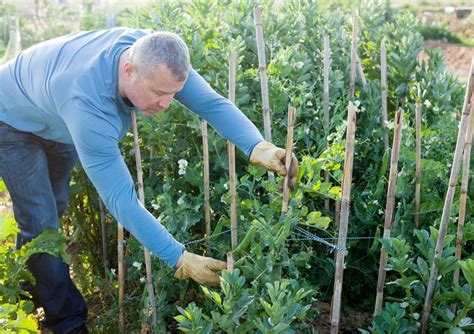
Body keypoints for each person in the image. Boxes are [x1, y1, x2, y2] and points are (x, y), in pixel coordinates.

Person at [0, 28, 297, 333]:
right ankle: (66, 321)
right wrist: (179, 257)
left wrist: (257, 146)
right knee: (41, 221)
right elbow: (120, 199)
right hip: (11, 120)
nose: (167, 103)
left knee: (54, 207)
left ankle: (32, 281)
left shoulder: (156, 54)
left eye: (173, 93)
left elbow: (210, 103)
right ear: (128, 70)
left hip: (54, 116)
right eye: (158, 94)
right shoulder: (87, 106)